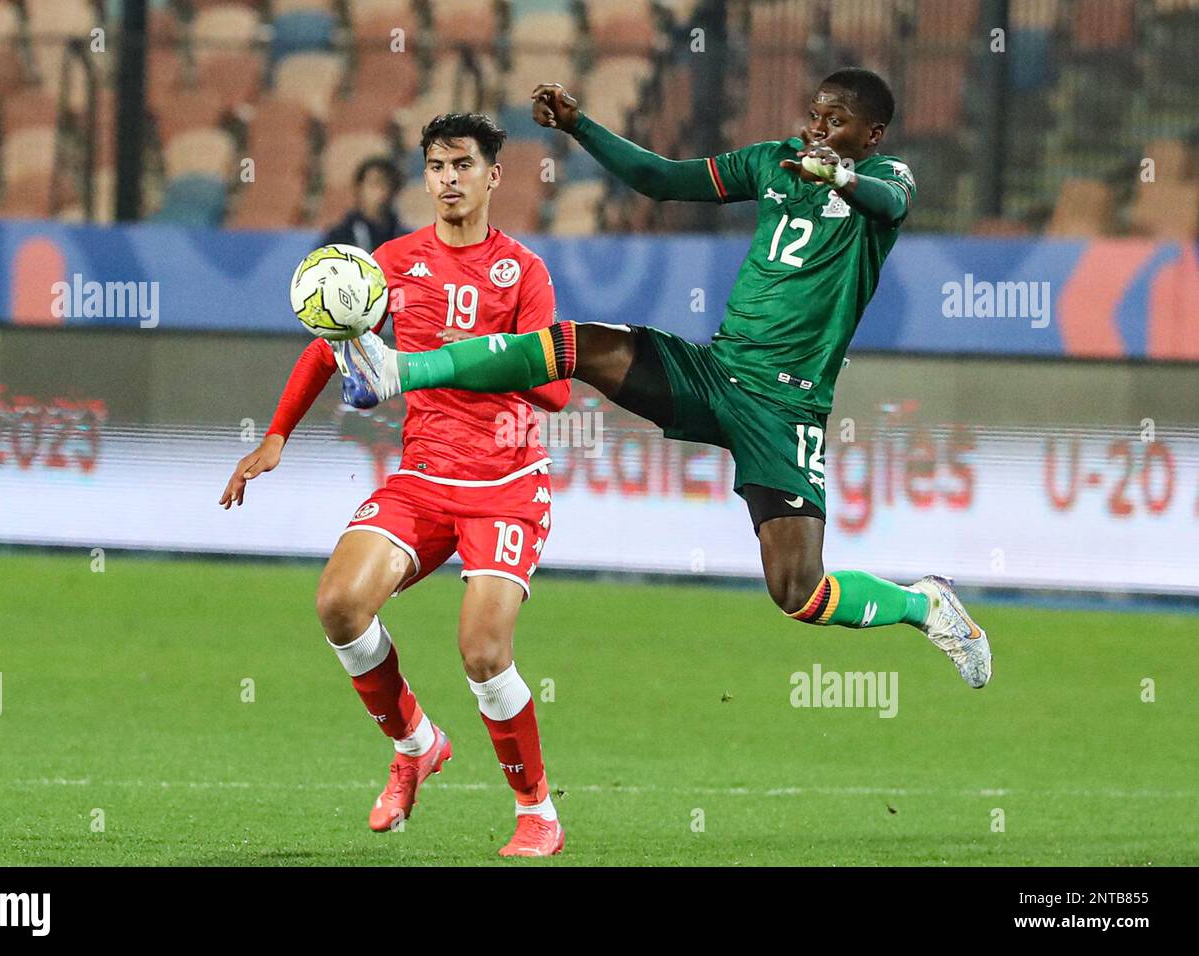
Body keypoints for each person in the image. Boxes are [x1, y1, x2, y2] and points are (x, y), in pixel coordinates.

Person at [333, 70, 993, 689]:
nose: (818, 129)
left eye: (837, 122)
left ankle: (921, 603)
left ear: (870, 134)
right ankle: (397, 370)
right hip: (713, 372)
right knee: (580, 345)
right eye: (815, 116)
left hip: (785, 411)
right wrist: (579, 126)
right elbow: (660, 179)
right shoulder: (773, 162)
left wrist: (838, 174)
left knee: (800, 592)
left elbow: (888, 199)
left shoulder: (884, 177)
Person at [221, 113, 570, 856]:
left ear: (492, 176)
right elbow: (329, 350)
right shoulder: (389, 263)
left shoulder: (525, 273)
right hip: (422, 478)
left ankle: (537, 810)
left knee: (482, 651)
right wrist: (277, 434)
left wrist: (464, 354)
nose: (448, 179)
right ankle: (416, 742)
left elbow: (557, 393)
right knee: (339, 605)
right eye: (437, 166)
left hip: (507, 482)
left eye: (463, 165)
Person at [320, 156, 406, 251]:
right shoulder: (340, 237)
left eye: (387, 184)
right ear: (359, 189)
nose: (381, 190)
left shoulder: (404, 237)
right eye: (374, 183)